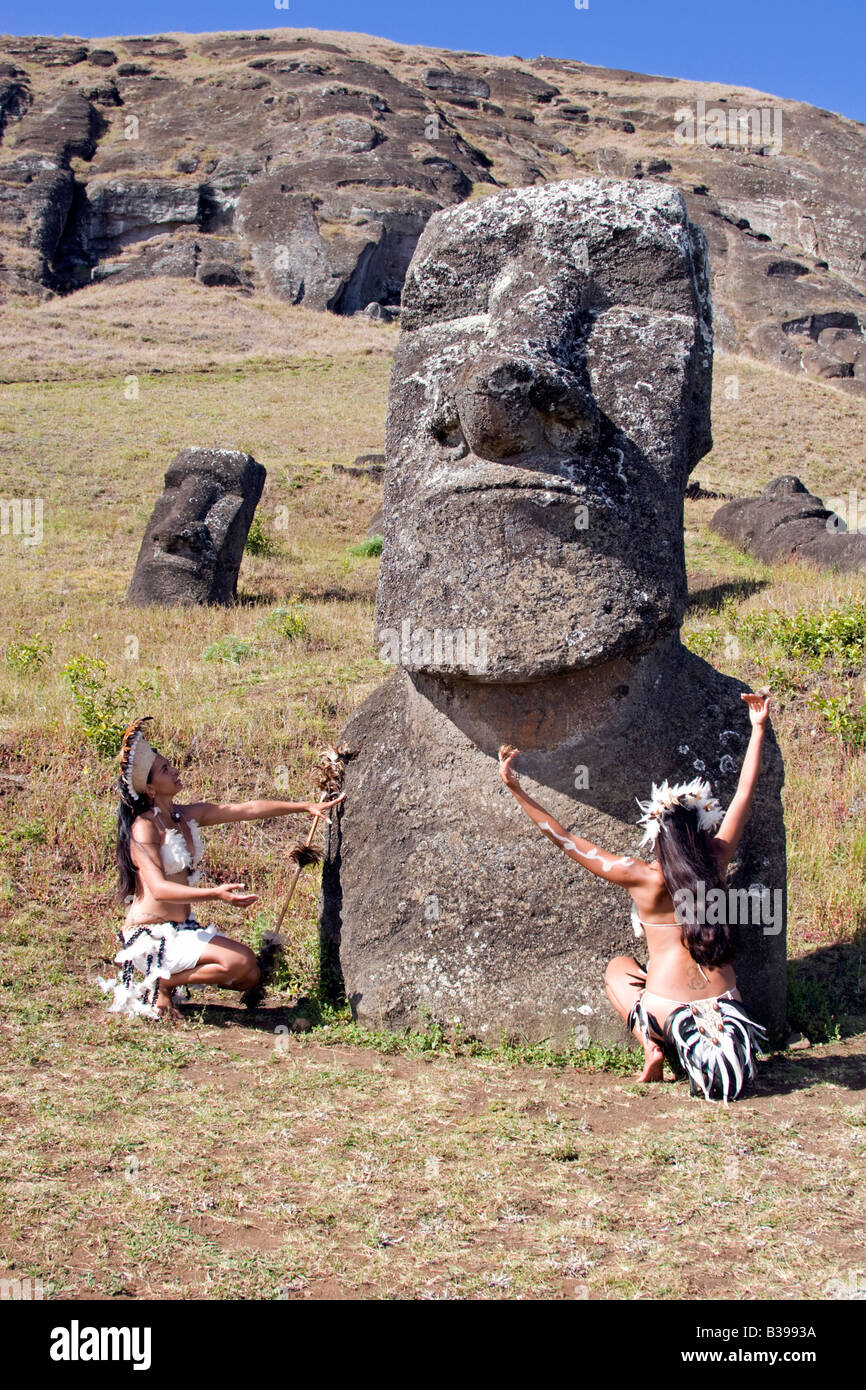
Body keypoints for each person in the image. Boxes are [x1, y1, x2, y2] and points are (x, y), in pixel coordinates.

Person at [497, 691, 772, 1102]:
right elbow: (744, 797)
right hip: (727, 1002)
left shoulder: (642, 876)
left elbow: (566, 839)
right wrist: (758, 728)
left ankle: (651, 1045)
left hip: (666, 1007)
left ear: (657, 836)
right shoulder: (717, 857)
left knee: (618, 970)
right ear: (702, 827)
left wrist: (516, 789)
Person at [98, 717, 343, 1022]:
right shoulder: (144, 827)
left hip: (183, 928)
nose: (174, 770)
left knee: (249, 976)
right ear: (149, 787)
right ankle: (163, 983)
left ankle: (168, 981)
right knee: (239, 962)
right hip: (150, 937)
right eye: (164, 770)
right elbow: (158, 889)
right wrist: (216, 893)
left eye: (170, 765)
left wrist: (304, 807)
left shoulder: (184, 814)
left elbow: (245, 809)